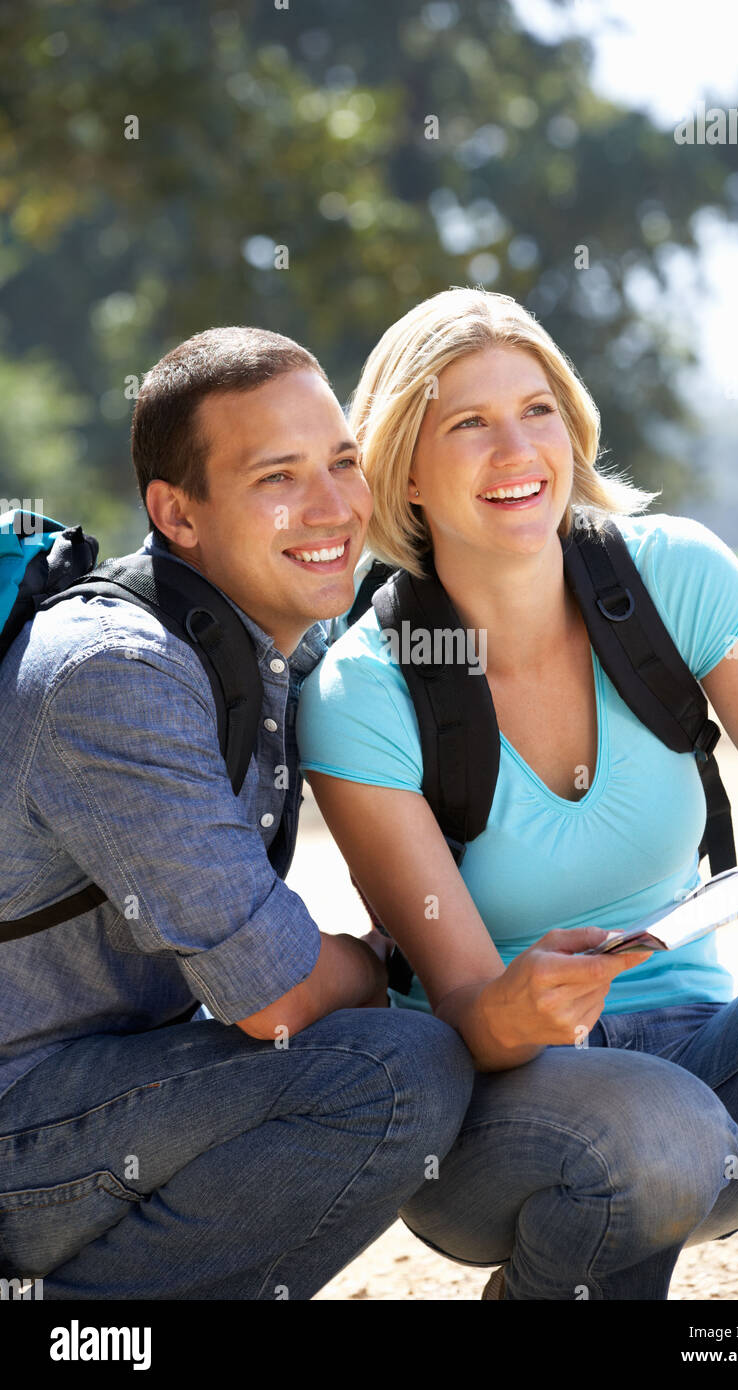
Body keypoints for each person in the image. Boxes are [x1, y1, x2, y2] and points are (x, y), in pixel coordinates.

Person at [296, 288, 738, 1300]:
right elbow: (467, 1012)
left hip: (710, 1063)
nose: (516, 450)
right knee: (656, 1133)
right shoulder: (361, 692)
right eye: (468, 422)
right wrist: (519, 1009)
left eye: (537, 409)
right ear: (405, 471)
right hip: (496, 1106)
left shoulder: (676, 576)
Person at [0, 326, 475, 1301]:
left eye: (342, 463)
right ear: (176, 511)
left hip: (90, 1086)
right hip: (21, 1111)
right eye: (277, 478)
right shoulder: (117, 672)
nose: (334, 506)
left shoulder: (250, 645)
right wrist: (388, 962)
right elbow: (275, 994)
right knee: (394, 1073)